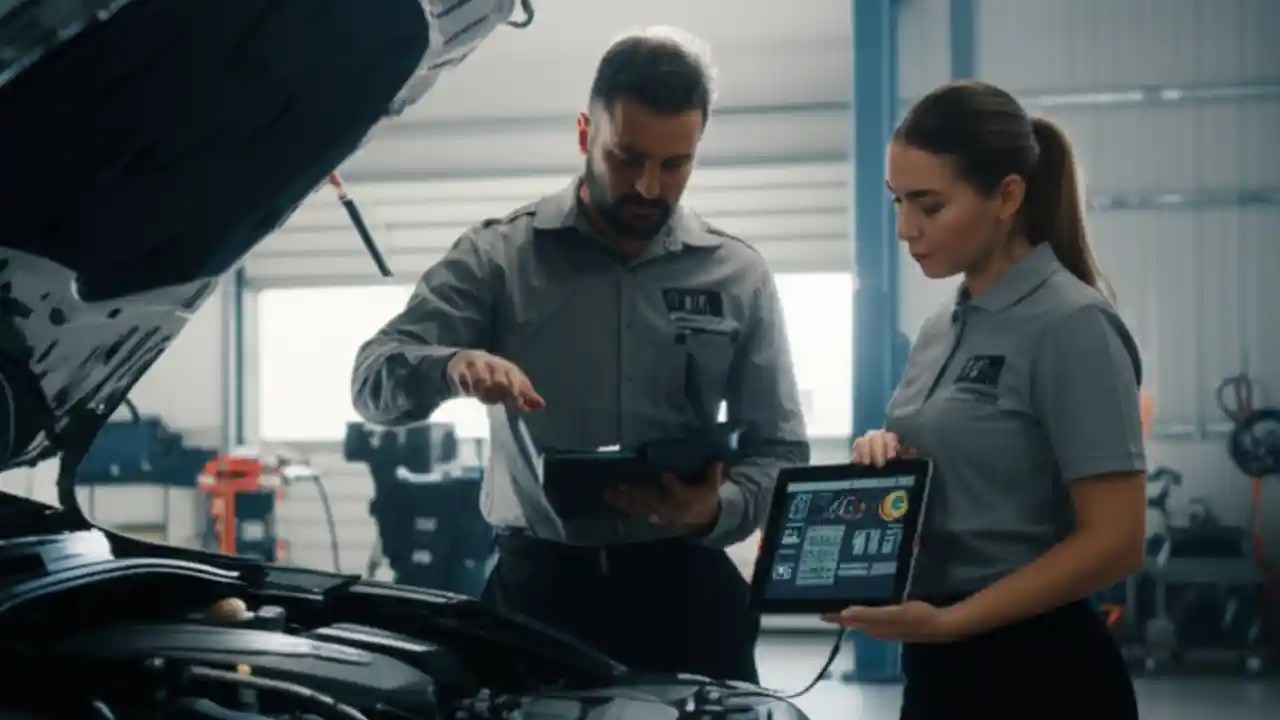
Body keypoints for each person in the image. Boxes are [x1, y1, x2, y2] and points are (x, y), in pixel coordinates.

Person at [351, 26, 809, 684]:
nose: (650, 186)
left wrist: (717, 509)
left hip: (686, 593)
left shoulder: (736, 274)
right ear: (584, 134)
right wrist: (448, 367)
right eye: (628, 158)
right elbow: (371, 378)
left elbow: (781, 450)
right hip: (539, 602)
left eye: (676, 164)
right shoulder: (497, 260)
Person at [822, 80, 1146, 719]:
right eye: (897, 202)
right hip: (942, 663)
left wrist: (954, 623)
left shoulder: (1071, 324)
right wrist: (889, 458)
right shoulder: (942, 326)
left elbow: (1117, 539)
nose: (905, 228)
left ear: (1007, 196)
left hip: (1038, 672)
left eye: (930, 206)